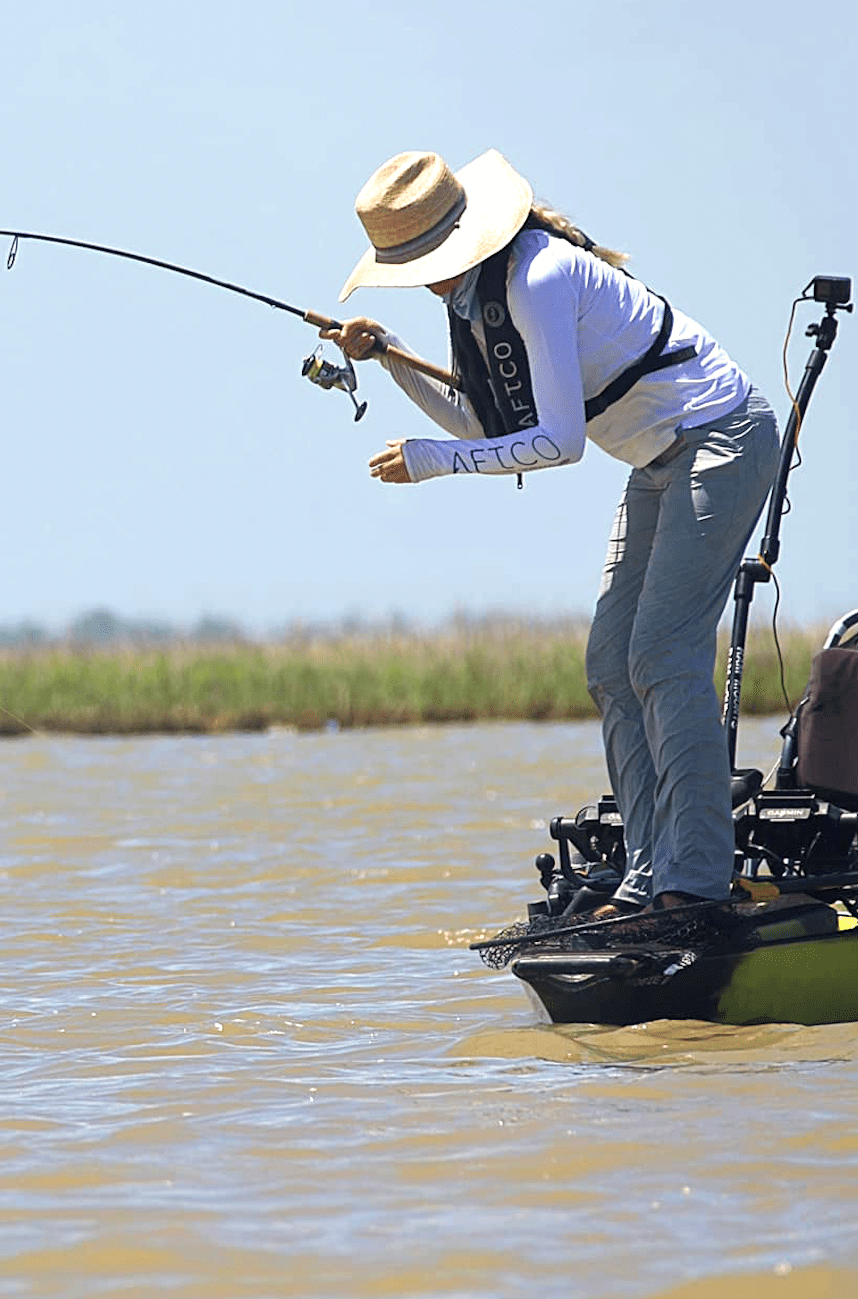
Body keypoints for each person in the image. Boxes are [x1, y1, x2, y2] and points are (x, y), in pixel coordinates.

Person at [322, 149, 780, 914]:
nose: (418, 274)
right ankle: (646, 876)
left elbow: (558, 444)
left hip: (720, 439)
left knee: (662, 657)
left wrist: (434, 461)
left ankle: (692, 883)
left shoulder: (535, 280)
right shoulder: (471, 299)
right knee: (612, 663)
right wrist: (395, 361)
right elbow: (483, 422)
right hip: (656, 461)